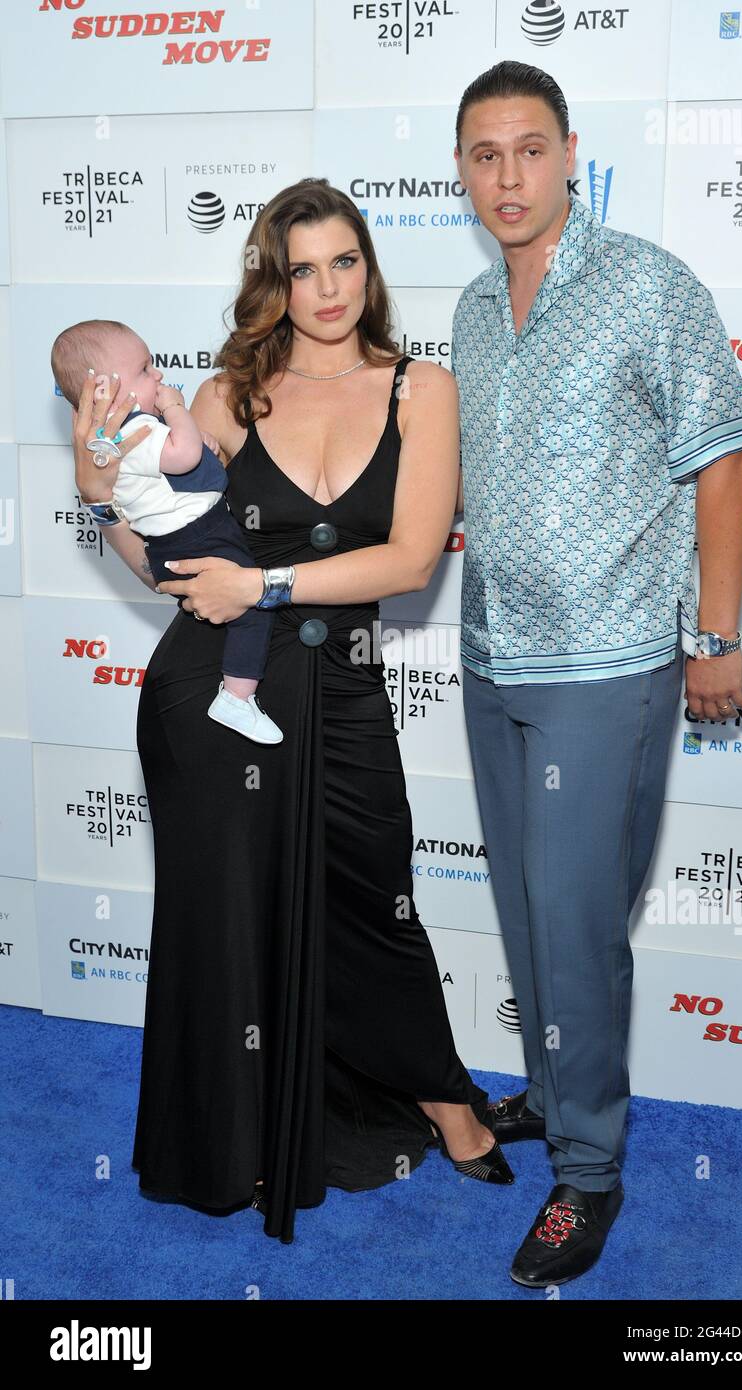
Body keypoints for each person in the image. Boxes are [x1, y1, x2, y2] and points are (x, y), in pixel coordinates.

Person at [71, 176, 515, 1247]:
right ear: (275, 278)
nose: (326, 288)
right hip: (211, 691)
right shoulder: (230, 393)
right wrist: (103, 497)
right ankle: (228, 1138)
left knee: (376, 893)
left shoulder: (423, 387)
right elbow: (166, 557)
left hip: (343, 680)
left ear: (369, 266)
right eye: (302, 267)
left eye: (344, 262)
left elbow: (410, 561)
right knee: (223, 917)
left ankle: (441, 1095)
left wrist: (263, 585)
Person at [450, 62, 742, 1288]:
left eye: (529, 150)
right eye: (484, 154)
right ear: (462, 169)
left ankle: (588, 1174)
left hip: (610, 658)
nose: (508, 176)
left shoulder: (646, 285)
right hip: (489, 657)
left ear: (571, 155)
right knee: (527, 908)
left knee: (576, 921)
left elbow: (724, 457)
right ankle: (555, 1082)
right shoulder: (474, 309)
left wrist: (718, 636)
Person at [53, 320, 282, 743]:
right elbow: (183, 454)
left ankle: (237, 694)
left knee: (252, 604)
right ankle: (236, 697)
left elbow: (183, 464)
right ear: (103, 392)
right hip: (195, 539)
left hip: (189, 536)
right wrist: (178, 410)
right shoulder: (133, 432)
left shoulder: (128, 436)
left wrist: (201, 442)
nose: (157, 376)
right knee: (253, 608)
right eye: (144, 369)